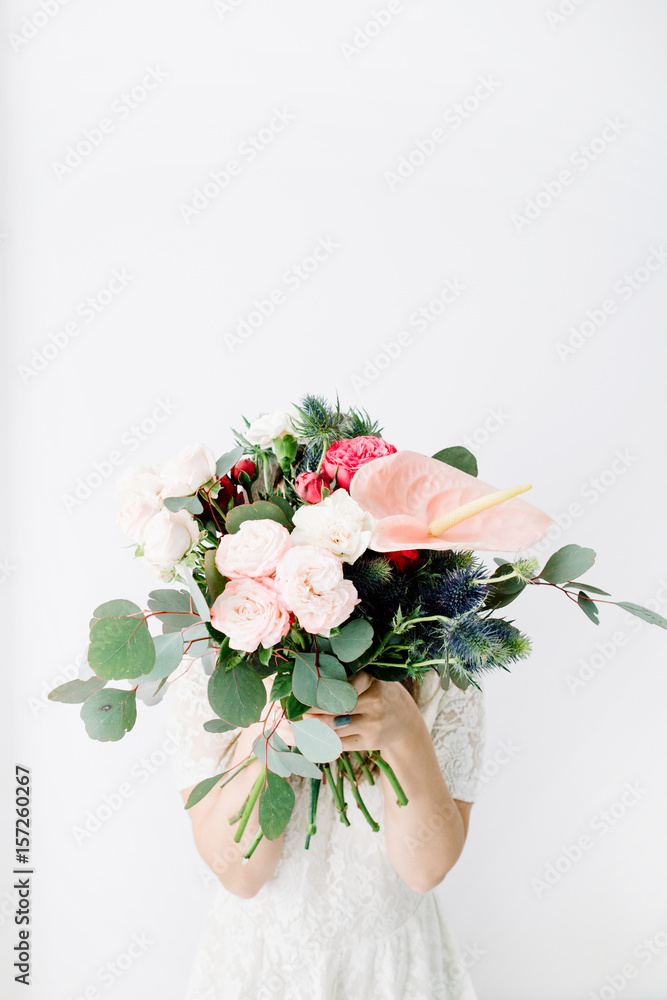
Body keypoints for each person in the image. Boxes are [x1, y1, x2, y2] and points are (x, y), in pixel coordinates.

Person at [167, 654, 486, 1000]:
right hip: (263, 966)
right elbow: (240, 875)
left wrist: (405, 728)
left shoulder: (444, 655)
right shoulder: (210, 659)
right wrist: (270, 728)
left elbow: (425, 870)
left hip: (391, 971)